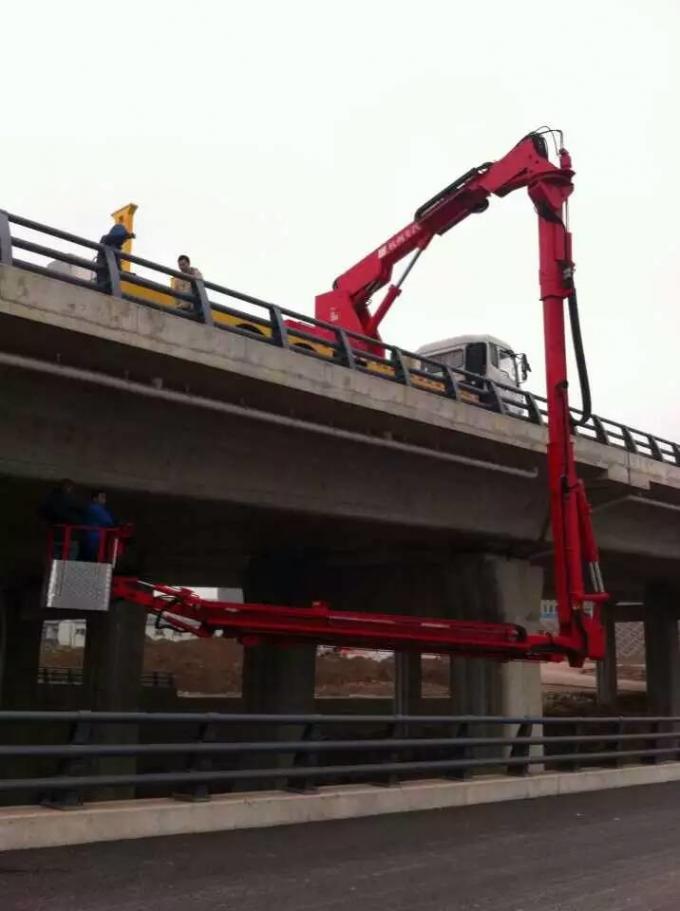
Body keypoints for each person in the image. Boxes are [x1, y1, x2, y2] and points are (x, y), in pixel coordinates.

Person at [39, 479, 86, 559]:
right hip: (70, 535)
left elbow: (42, 511)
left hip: (55, 534)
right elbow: (80, 511)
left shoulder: (51, 498)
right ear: (69, 488)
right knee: (70, 559)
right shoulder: (71, 499)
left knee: (54, 560)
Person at [94, 223, 135, 293]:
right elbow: (111, 264)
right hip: (104, 280)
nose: (124, 241)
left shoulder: (116, 248)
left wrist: (127, 274)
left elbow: (117, 268)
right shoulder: (107, 241)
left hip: (110, 283)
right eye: (123, 239)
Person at [82, 490, 117, 562]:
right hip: (94, 539)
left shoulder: (101, 509)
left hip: (96, 538)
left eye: (104, 497)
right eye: (102, 497)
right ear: (95, 499)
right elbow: (108, 521)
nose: (104, 499)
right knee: (91, 559)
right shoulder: (94, 508)